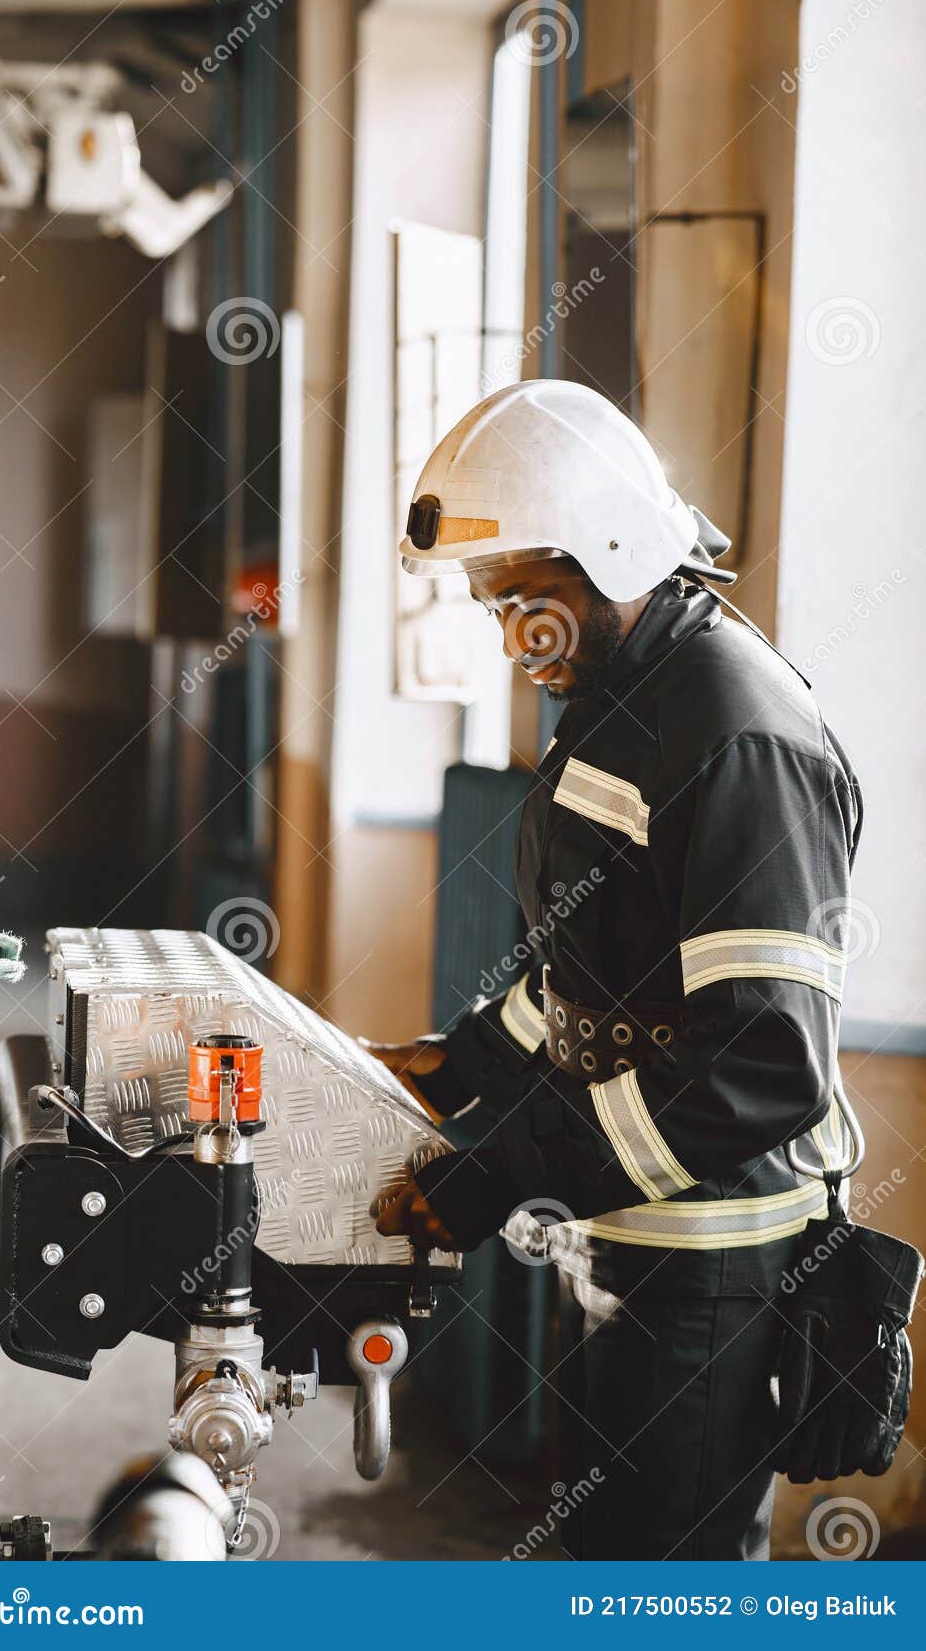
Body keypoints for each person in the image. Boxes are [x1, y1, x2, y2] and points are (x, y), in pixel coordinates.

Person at [368, 380, 862, 1559]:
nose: (512, 642)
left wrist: (504, 1173)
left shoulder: (736, 734)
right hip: (627, 1239)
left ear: (617, 551)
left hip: (712, 1268)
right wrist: (466, 1060)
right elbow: (605, 970)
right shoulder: (622, 695)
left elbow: (761, 1062)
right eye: (493, 610)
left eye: (529, 604)